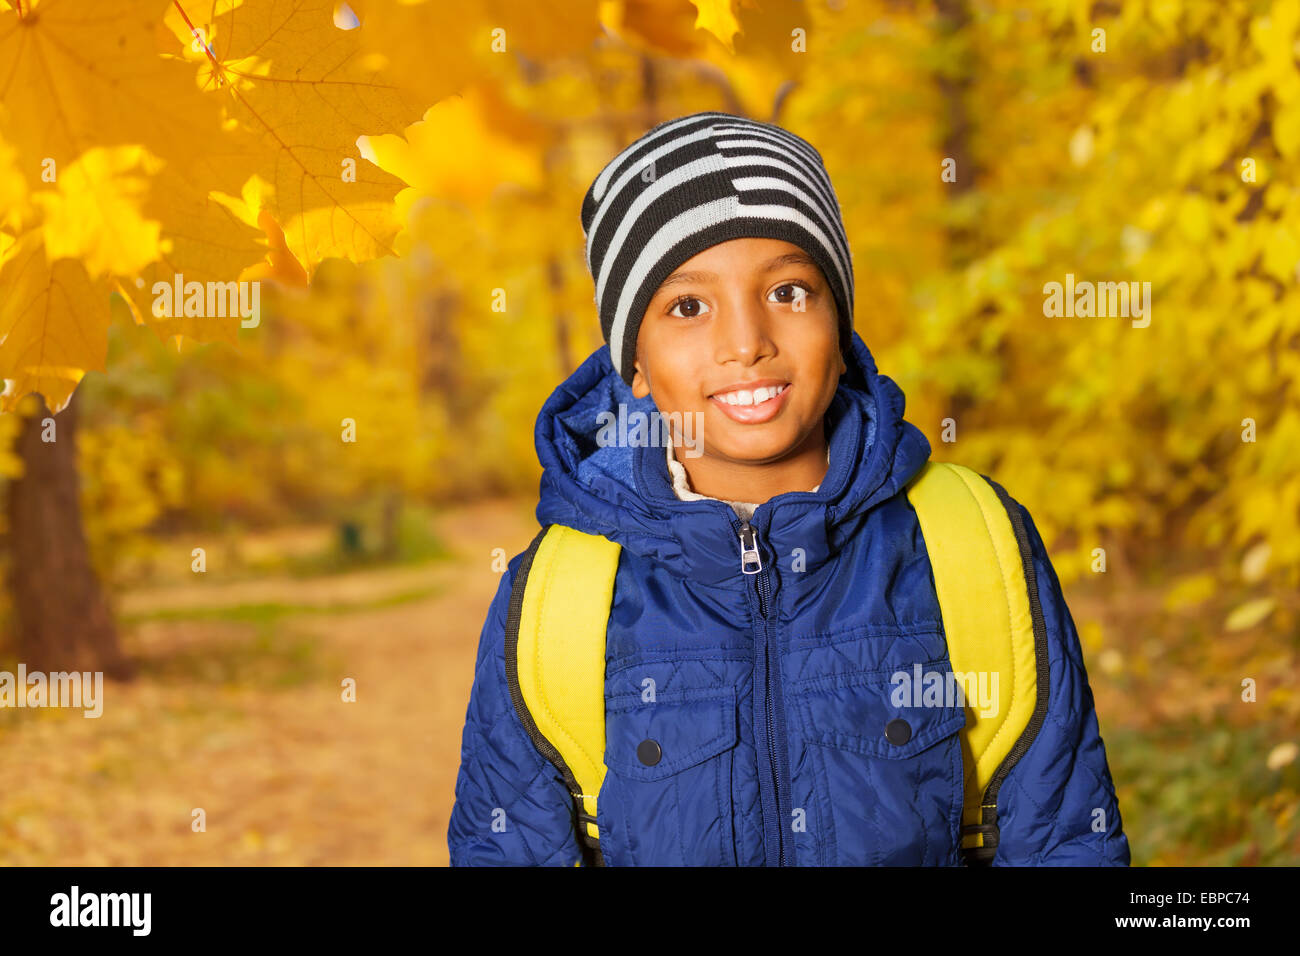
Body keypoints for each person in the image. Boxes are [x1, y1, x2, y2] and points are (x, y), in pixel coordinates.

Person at [447, 111, 1129, 866]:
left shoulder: (973, 546)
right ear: (633, 364)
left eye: (790, 291)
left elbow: (1067, 842)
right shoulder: (555, 600)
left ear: (839, 327)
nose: (746, 342)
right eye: (687, 306)